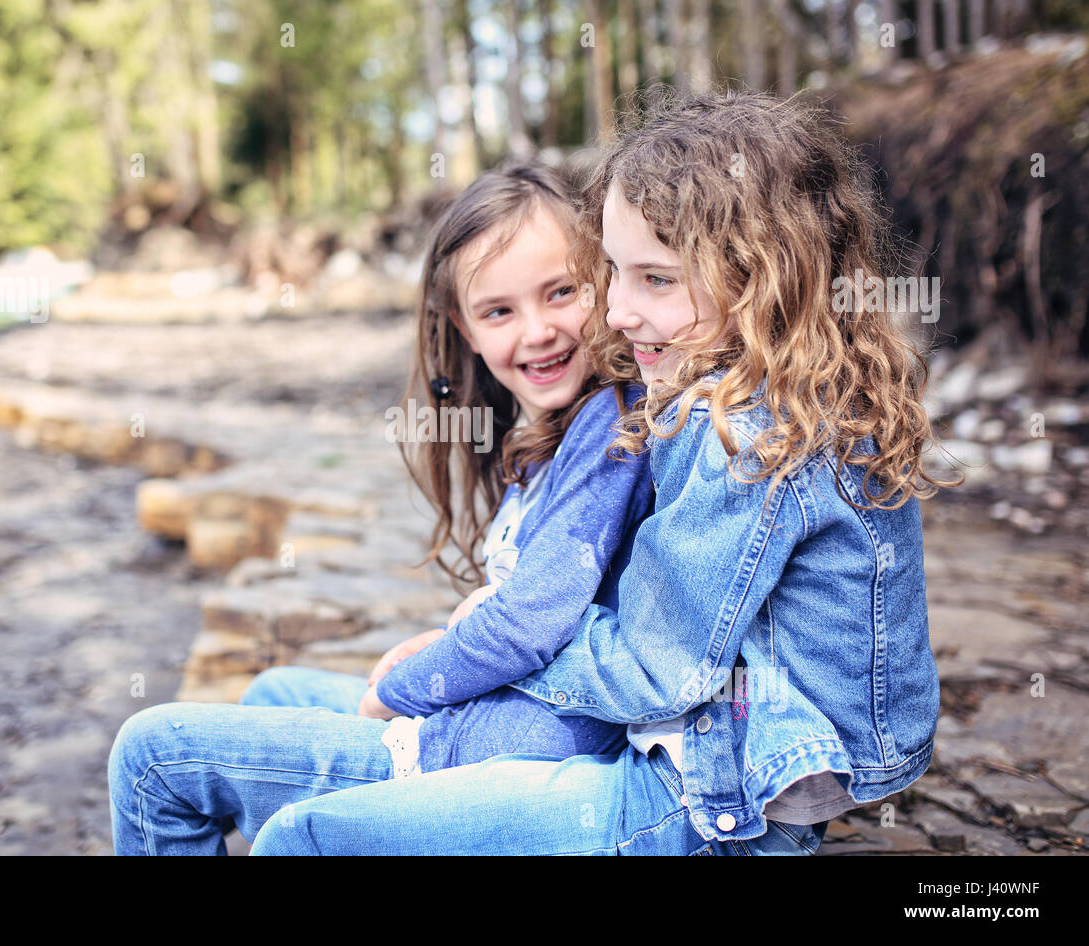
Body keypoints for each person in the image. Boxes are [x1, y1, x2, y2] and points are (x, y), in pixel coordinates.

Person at [246, 89, 960, 856]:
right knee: (275, 709)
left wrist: (502, 635)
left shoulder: (741, 433)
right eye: (612, 272)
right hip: (729, 764)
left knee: (299, 837)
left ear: (762, 279)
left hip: (714, 797)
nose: (616, 311)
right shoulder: (794, 392)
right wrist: (491, 633)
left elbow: (658, 669)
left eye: (653, 279)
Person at [107, 163, 653, 854]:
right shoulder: (552, 435)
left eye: (562, 293)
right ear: (464, 325)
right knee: (275, 688)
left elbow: (531, 625)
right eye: (500, 311)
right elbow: (540, 602)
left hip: (512, 749)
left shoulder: (610, 423)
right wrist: (446, 643)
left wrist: (397, 693)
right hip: (504, 721)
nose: (538, 330)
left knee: (151, 757)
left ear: (603, 282)